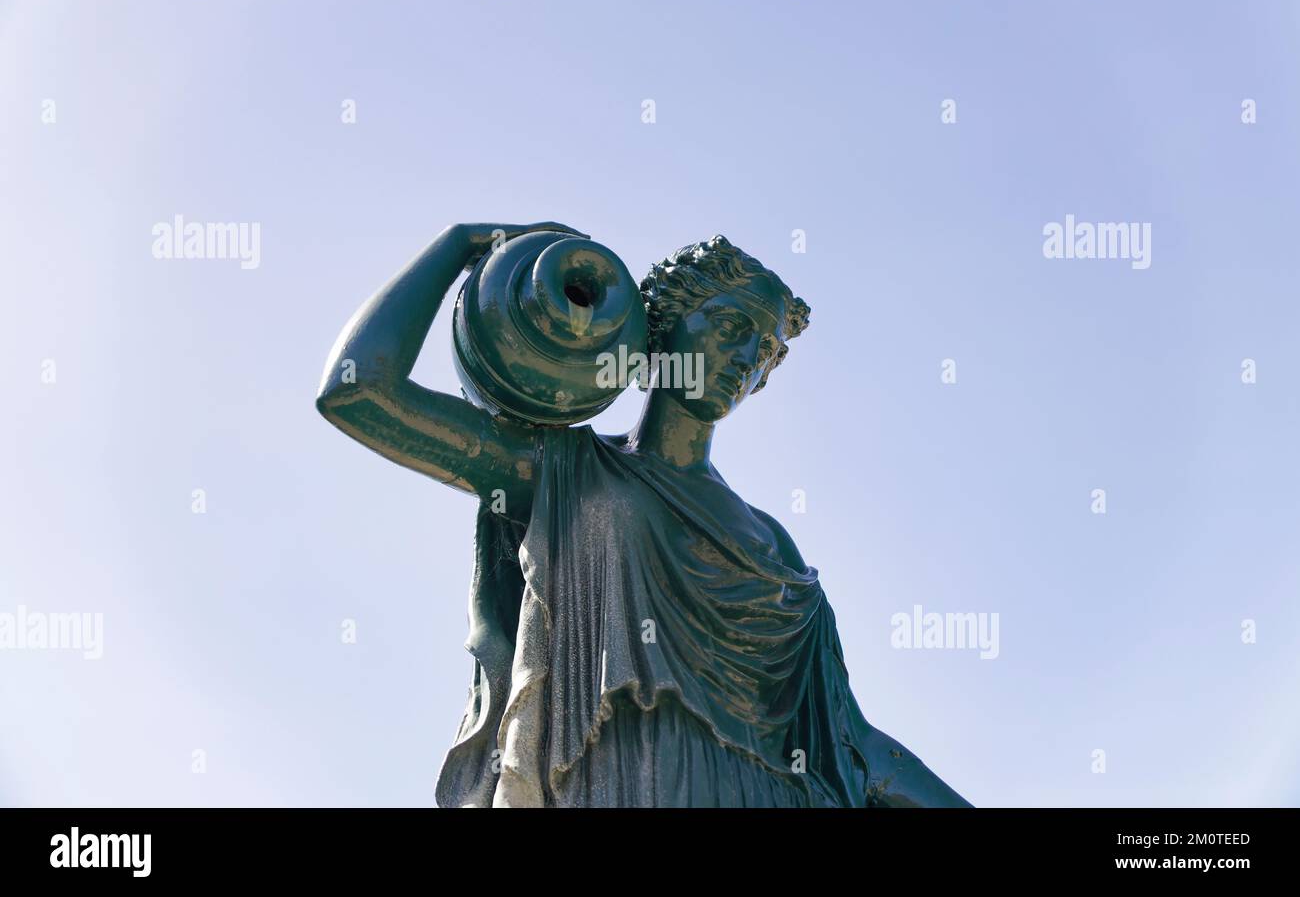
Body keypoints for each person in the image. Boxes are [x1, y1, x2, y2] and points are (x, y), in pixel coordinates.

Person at [316, 221, 971, 807]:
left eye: (767, 350)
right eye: (731, 327)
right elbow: (358, 391)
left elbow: (852, 742)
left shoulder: (771, 541)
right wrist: (459, 244)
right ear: (666, 323)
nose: (749, 359)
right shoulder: (568, 469)